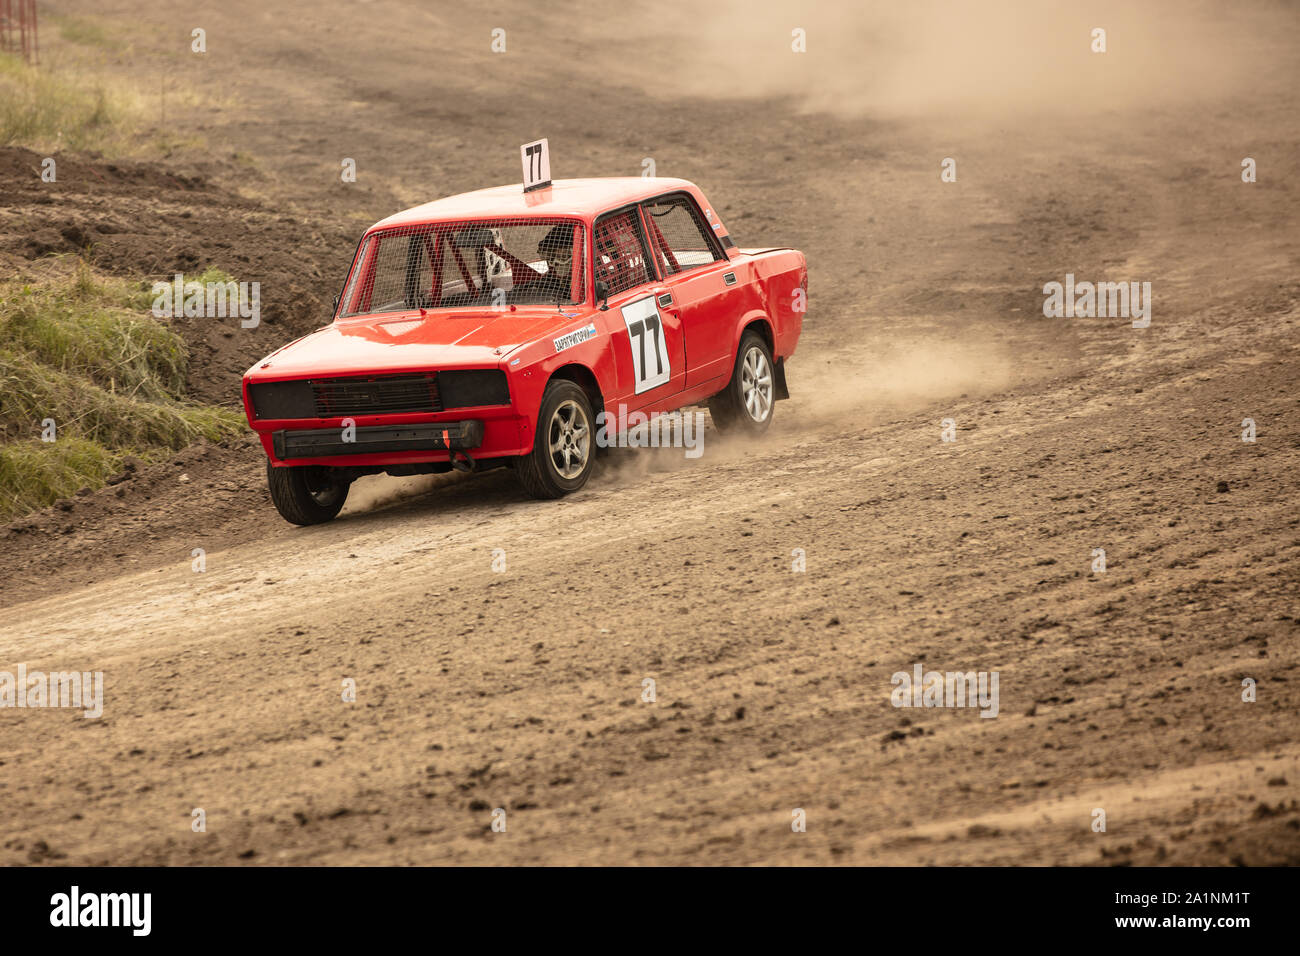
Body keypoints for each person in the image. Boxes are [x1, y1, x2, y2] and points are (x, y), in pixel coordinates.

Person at [533, 224, 575, 303]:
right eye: (551, 256)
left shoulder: (588, 279)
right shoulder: (549, 281)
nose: (554, 262)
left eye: (561, 256)